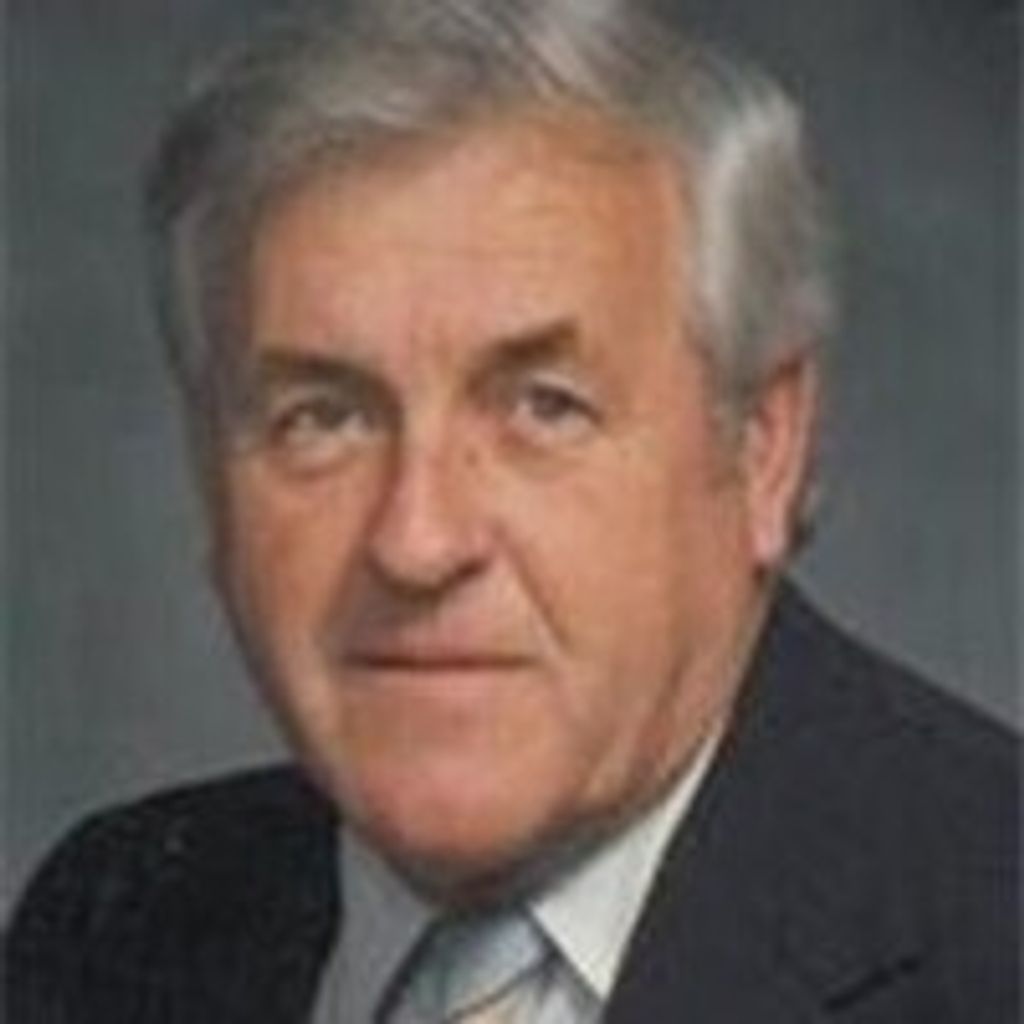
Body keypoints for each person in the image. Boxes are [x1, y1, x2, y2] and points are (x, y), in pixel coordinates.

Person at [5, 1, 1018, 1021]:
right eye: (324, 418)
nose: (417, 541)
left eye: (544, 406)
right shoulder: (109, 928)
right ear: (208, 473)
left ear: (762, 447)